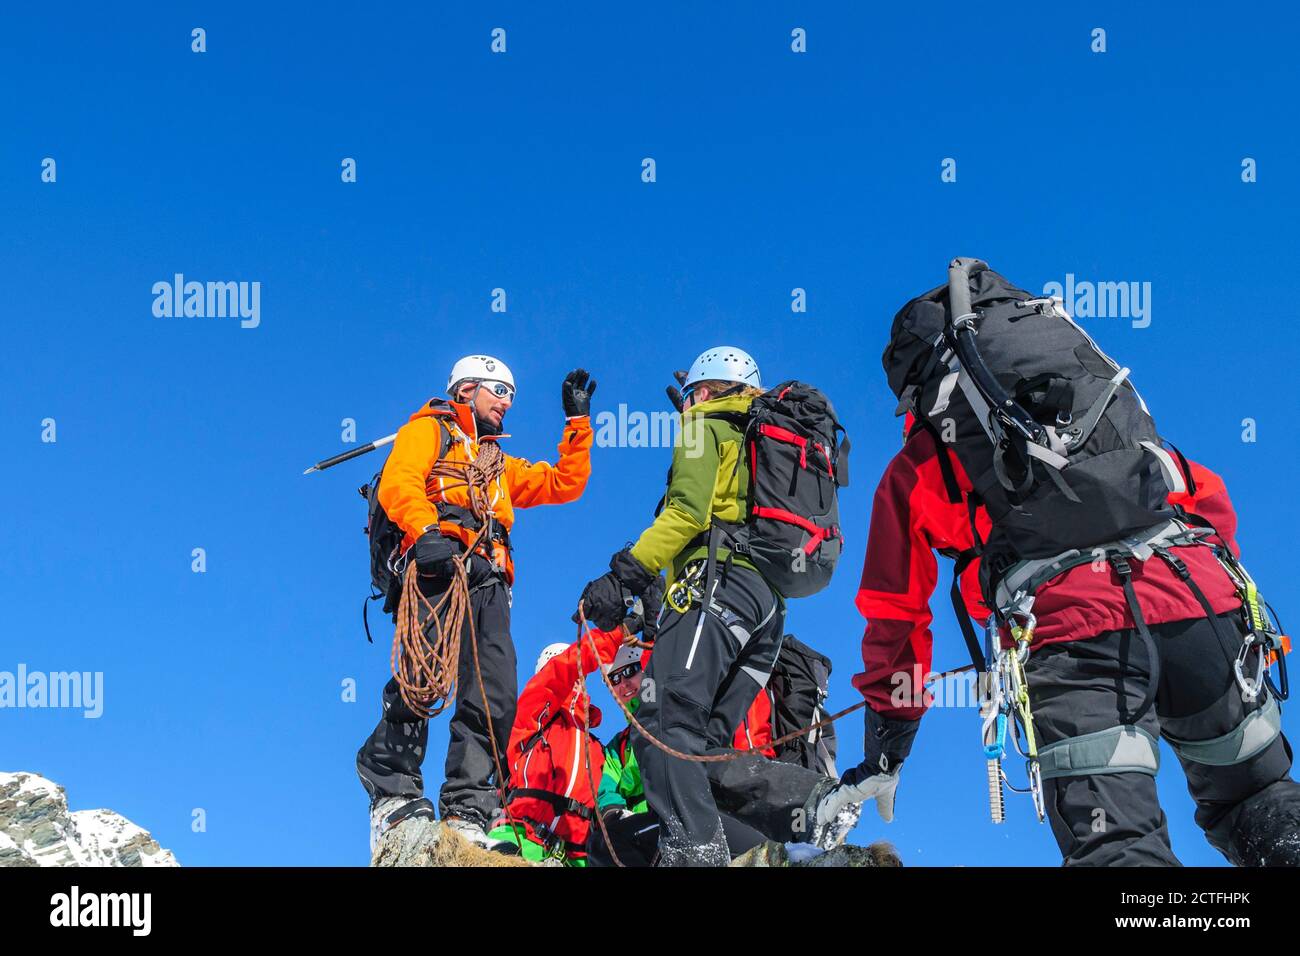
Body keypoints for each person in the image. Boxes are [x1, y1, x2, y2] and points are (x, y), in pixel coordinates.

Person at [819, 414, 1300, 865]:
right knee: (1257, 798)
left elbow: (894, 612)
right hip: (1204, 605)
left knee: (1120, 844)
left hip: (1076, 643)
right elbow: (1204, 493)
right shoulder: (1101, 406)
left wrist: (888, 749)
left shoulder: (924, 460)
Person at [358, 356, 595, 852]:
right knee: (423, 676)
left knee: (494, 692)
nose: (508, 402)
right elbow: (402, 481)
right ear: (467, 389)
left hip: (488, 578)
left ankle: (469, 802)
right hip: (438, 565)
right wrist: (424, 532)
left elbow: (562, 484)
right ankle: (391, 784)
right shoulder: (428, 432)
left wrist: (577, 425)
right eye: (499, 391)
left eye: (511, 393)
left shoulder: (497, 464)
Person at [577, 346, 792, 866]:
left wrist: (626, 574)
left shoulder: (702, 427)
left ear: (701, 391)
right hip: (768, 608)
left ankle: (696, 854)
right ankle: (808, 807)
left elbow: (687, 513)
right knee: (703, 748)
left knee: (660, 724)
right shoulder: (759, 434)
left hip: (714, 586)